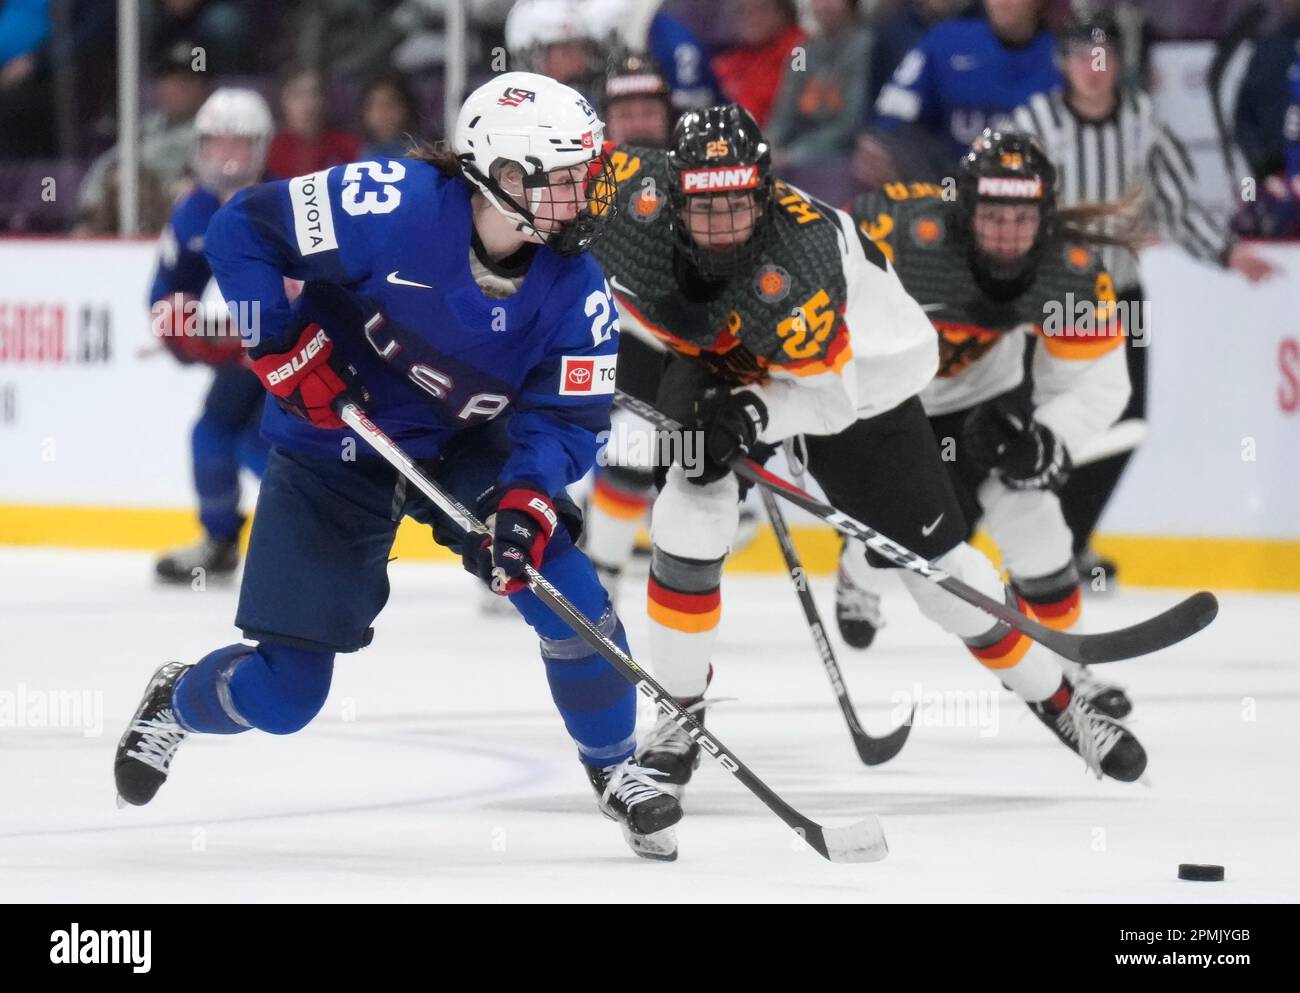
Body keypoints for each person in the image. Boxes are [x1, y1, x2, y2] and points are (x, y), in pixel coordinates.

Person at [113, 72, 683, 862]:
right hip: (330, 442)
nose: (588, 197)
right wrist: (275, 345)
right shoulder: (387, 203)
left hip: (463, 441)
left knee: (563, 585)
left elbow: (566, 419)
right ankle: (177, 699)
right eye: (570, 179)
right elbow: (244, 229)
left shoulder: (578, 289)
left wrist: (526, 498)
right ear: (506, 177)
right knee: (285, 696)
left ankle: (615, 766)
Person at [590, 104, 1148, 795]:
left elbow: (828, 397)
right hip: (732, 358)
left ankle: (1064, 707)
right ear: (672, 200)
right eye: (706, 207)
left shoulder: (799, 261)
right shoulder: (624, 199)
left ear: (765, 199)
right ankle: (677, 717)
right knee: (689, 507)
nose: (724, 227)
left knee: (942, 578)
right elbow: (548, 201)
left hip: (863, 387)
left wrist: (757, 412)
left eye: (739, 205)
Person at [839, 128, 1138, 721]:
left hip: (986, 403)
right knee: (898, 538)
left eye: (1021, 216)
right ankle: (855, 572)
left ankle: (1066, 663)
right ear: (966, 210)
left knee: (1032, 509)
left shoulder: (1069, 271)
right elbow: (817, 286)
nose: (1006, 231)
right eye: (993, 214)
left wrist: (1047, 438)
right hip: (896, 407)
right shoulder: (899, 232)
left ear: (1045, 216)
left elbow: (1100, 381)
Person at [1013, 10, 1277, 578]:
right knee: (1054, 421)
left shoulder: (1141, 121)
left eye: (1103, 58)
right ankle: (1041, 546)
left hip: (1121, 297)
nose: (1093, 69)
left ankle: (1069, 541)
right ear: (1064, 64)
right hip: (1053, 299)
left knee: (1127, 422)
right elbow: (1000, 203)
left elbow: (1177, 206)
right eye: (1082, 57)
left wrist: (1227, 252)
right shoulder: (1034, 123)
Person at [150, 88, 275, 583]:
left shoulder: (285, 202)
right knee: (212, 438)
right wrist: (182, 333)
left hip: (295, 358)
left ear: (261, 147)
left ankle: (336, 538)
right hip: (241, 362)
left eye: (239, 144)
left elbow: (324, 288)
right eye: (215, 143)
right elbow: (165, 295)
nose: (226, 156)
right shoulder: (191, 212)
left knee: (266, 447)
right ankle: (220, 539)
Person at [856, 0, 1060, 188]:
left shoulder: (1062, 56)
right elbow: (893, 108)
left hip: (1027, 196)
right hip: (949, 188)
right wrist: (879, 143)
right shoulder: (946, 39)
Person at [77, 41, 211, 221]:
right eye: (168, 80)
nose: (175, 88)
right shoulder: (147, 126)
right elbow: (107, 164)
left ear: (202, 87)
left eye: (185, 80)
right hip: (123, 214)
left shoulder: (212, 130)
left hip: (174, 218)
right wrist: (93, 201)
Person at [765, 0, 874, 169]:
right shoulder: (801, 51)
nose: (823, 6)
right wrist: (765, 148)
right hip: (794, 149)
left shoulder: (866, 46)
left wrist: (794, 155)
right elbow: (783, 113)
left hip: (842, 158)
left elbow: (851, 123)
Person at [710, 0, 807, 127]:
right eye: (743, 11)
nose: (752, 18)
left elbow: (790, 104)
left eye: (761, 9)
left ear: (783, 12)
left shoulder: (800, 49)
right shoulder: (745, 53)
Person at [265, 66, 361, 180]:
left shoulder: (348, 147)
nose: (307, 105)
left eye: (314, 94)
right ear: (283, 101)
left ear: (325, 100)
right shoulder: (269, 151)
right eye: (297, 95)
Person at [358, 72, 421, 160]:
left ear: (406, 107)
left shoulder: (419, 151)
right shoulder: (363, 152)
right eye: (376, 105)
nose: (383, 111)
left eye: (390, 103)